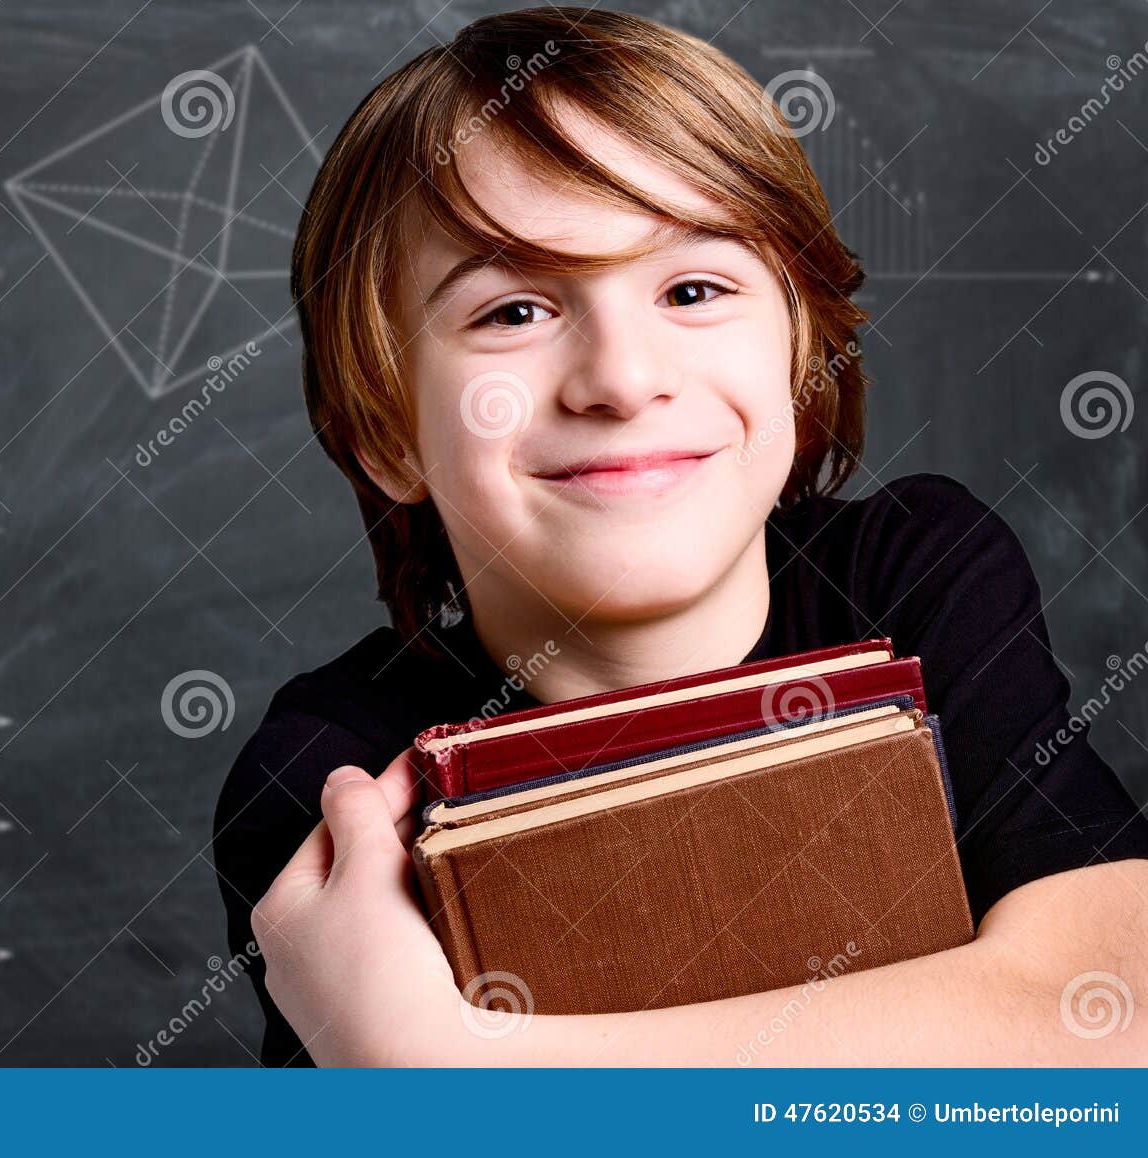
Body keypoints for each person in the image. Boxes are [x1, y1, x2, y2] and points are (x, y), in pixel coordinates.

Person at [211, 6, 1148, 1066]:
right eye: (512, 311)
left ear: (801, 361)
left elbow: (1107, 1023)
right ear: (387, 429)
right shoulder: (332, 782)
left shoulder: (918, 579)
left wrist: (458, 1068)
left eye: (692, 289)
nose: (620, 377)